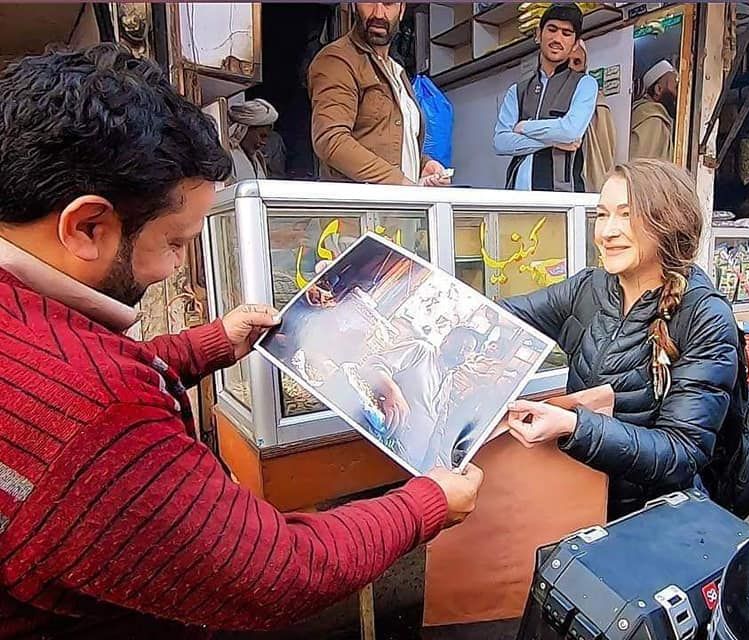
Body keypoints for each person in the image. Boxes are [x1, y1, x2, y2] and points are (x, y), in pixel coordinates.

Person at [0, 43, 482, 638]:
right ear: (86, 227)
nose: (176, 268)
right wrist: (427, 502)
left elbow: (86, 373)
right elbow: (281, 571)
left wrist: (212, 343)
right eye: (175, 241)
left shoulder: (31, 329)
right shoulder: (103, 413)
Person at [500, 159, 742, 519]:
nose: (607, 231)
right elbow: (501, 318)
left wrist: (574, 425)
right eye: (601, 215)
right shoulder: (589, 288)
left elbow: (682, 452)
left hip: (651, 520)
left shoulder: (704, 317)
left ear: (669, 221)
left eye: (626, 215)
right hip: (580, 495)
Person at [308, 2, 451, 186]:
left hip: (397, 210)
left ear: (401, 10)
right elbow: (331, 140)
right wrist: (399, 182)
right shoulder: (337, 60)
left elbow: (388, 140)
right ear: (354, 5)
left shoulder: (396, 70)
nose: (379, 13)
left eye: (389, 3)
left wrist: (422, 164)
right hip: (359, 210)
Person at [493, 4, 599, 192]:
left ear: (575, 44)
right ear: (538, 34)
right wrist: (554, 140)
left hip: (562, 199)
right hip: (515, 197)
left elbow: (571, 132)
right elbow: (501, 142)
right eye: (552, 29)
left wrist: (524, 127)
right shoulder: (517, 91)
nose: (557, 38)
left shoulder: (585, 84)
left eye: (567, 33)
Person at [361, 327, 484, 472]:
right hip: (381, 445)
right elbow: (372, 366)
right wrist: (392, 392)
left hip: (411, 462)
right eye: (459, 343)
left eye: (468, 348)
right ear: (446, 340)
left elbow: (438, 428)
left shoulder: (448, 381)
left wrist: (430, 470)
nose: (462, 350)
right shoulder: (421, 350)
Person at [569, 39, 617, 192]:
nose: (570, 67)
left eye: (576, 62)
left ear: (585, 68)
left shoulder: (598, 103)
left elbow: (605, 156)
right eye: (565, 62)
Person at [630, 60, 677, 162]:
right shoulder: (652, 119)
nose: (678, 94)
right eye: (676, 87)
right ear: (658, 89)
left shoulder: (646, 114)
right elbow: (642, 169)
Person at [227, 98, 279, 181]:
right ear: (244, 130)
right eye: (262, 136)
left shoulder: (258, 159)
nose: (264, 142)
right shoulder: (228, 157)